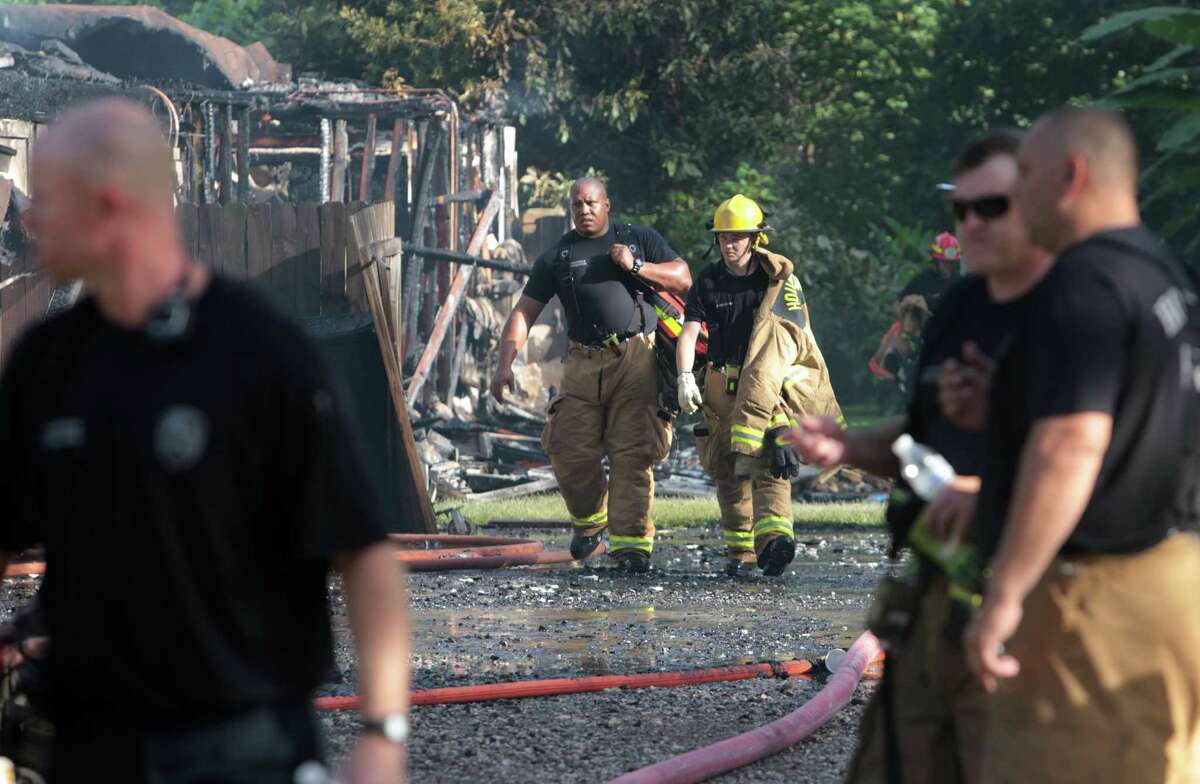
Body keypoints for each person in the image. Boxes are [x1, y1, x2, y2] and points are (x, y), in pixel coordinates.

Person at [0, 98, 411, 783]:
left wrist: (382, 735)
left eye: (43, 200)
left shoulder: (259, 353)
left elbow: (365, 553)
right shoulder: (47, 363)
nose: (26, 219)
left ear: (106, 208)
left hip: (245, 747)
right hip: (91, 750)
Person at [792, 129, 1053, 784]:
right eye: (959, 210)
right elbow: (924, 428)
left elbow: (1080, 454)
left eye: (990, 207)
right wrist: (850, 445)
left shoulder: (1075, 304)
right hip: (936, 585)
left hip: (1028, 589)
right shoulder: (957, 307)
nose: (971, 225)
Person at [964, 106, 1200, 783]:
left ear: (1070, 176)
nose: (1016, 198)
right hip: (1178, 583)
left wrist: (1005, 592)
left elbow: (1071, 447)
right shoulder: (1169, 277)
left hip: (1094, 596)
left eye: (1026, 177)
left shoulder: (1083, 282)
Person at [489, 177, 691, 573]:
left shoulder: (638, 239)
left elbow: (683, 277)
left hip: (637, 357)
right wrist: (503, 364)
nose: (584, 210)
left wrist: (636, 265)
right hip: (582, 364)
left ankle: (632, 548)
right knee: (566, 446)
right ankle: (589, 523)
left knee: (632, 452)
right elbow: (524, 312)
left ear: (607, 205)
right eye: (578, 204)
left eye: (592, 202)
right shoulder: (557, 257)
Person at [675, 194, 841, 577]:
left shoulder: (774, 285)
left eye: (737, 237)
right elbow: (689, 332)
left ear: (755, 238)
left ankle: (775, 543)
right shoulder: (708, 280)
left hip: (766, 386)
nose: (729, 245)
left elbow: (790, 340)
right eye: (723, 238)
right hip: (719, 383)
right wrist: (685, 375)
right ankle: (741, 551)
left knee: (771, 462)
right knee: (726, 470)